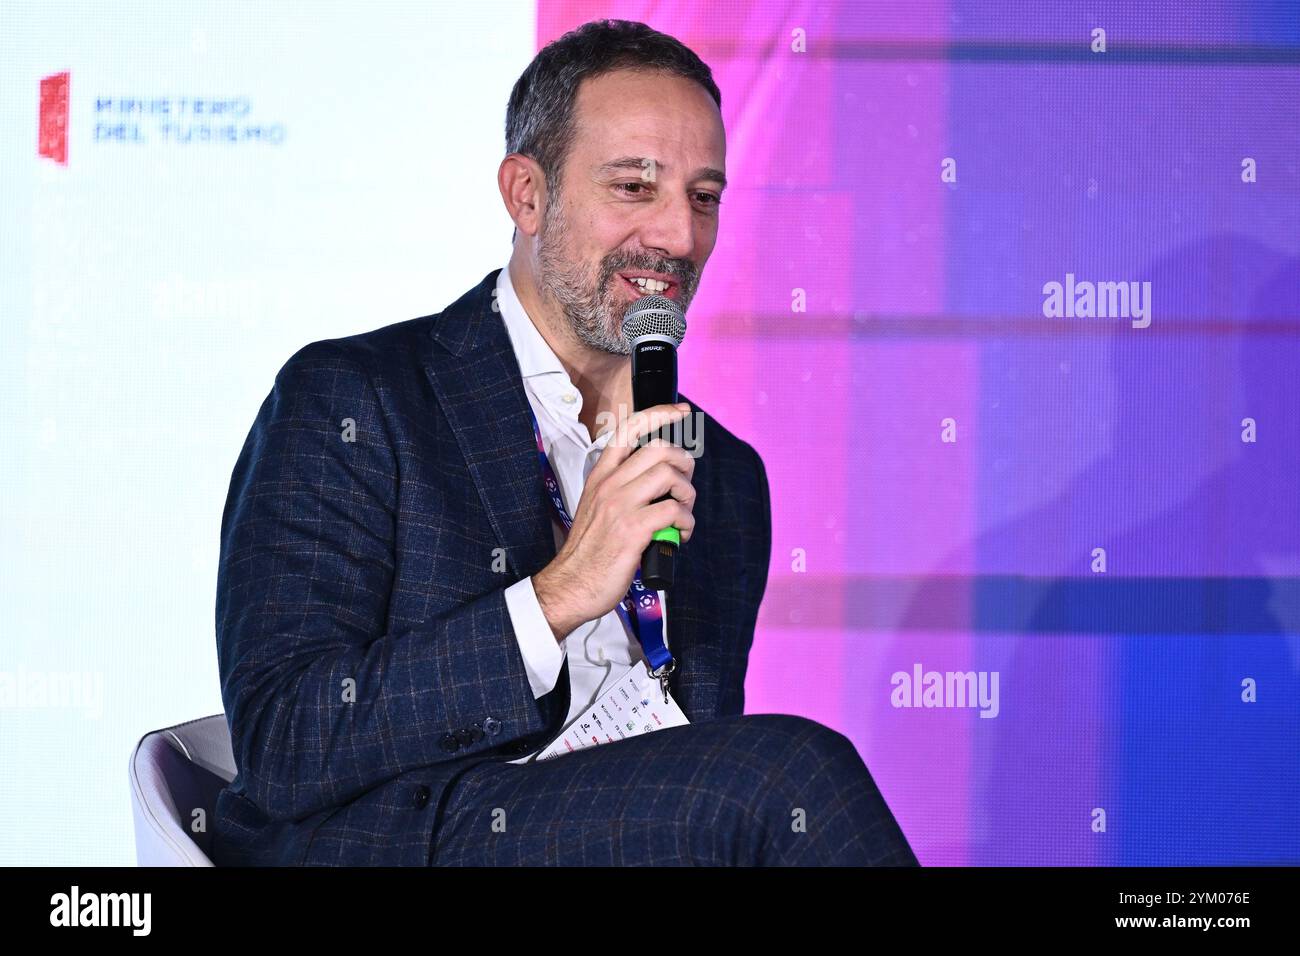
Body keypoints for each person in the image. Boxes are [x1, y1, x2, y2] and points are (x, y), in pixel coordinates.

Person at [211, 18, 917, 866]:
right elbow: (285, 743)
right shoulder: (356, 398)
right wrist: (562, 592)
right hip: (405, 838)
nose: (678, 238)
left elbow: (692, 761)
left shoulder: (719, 473)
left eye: (703, 197)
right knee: (794, 774)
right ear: (527, 195)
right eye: (633, 188)